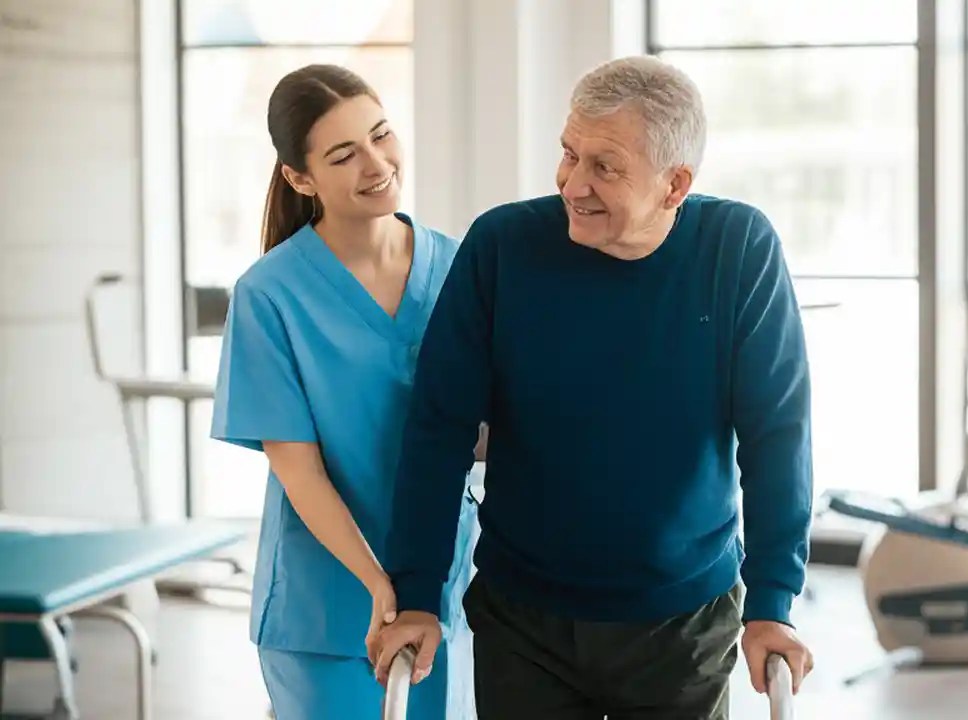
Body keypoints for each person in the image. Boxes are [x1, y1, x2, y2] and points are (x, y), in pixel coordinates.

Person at [373, 55, 815, 718]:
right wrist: (416, 594)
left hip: (682, 619)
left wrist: (773, 602)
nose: (573, 184)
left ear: (675, 185)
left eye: (604, 167)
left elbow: (777, 435)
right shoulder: (502, 247)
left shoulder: (737, 249)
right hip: (525, 620)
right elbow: (439, 428)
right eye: (568, 153)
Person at [210, 64, 479, 720]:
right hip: (326, 605)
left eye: (381, 135)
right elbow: (298, 472)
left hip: (450, 592)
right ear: (301, 179)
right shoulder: (269, 295)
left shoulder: (462, 266)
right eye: (343, 154)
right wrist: (380, 586)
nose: (376, 162)